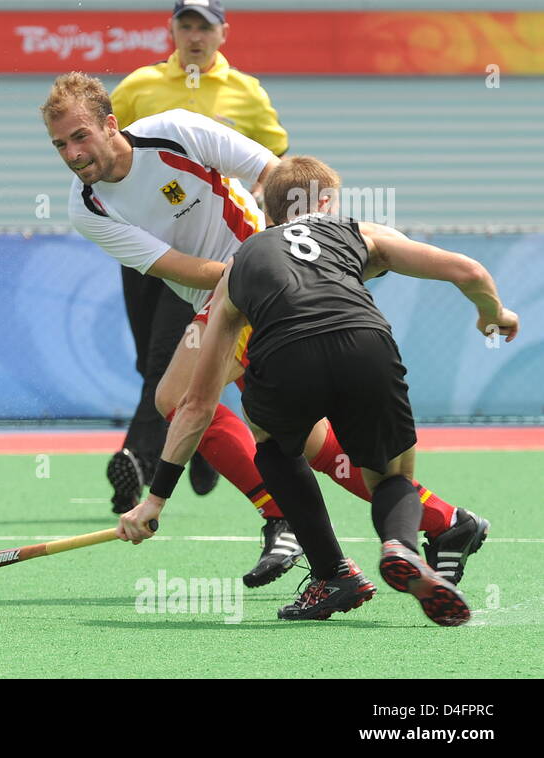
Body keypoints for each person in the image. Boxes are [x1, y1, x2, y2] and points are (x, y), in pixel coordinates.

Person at [45, 72, 477, 587]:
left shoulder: (176, 132)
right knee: (311, 445)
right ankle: (446, 522)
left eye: (79, 136)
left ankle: (292, 526)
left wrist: (282, 266)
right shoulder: (86, 207)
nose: (72, 154)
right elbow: (172, 265)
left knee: (180, 400)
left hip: (262, 283)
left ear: (110, 124)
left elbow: (275, 176)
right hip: (220, 297)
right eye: (59, 145)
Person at [116, 156, 517, 625]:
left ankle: (331, 573)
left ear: (268, 215)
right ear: (324, 203)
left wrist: (156, 498)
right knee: (391, 478)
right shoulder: (357, 232)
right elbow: (467, 271)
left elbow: (196, 405)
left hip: (285, 359)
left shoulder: (240, 263)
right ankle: (399, 545)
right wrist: (495, 314)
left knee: (275, 448)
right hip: (367, 344)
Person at [105, 0, 289, 514]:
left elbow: (273, 162)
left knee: (167, 361)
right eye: (184, 25)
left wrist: (275, 224)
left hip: (214, 251)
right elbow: (109, 148)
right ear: (171, 30)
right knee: (152, 360)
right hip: (146, 246)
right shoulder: (140, 85)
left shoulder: (246, 93)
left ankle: (138, 462)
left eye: (203, 27)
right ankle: (202, 447)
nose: (193, 35)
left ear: (222, 34)